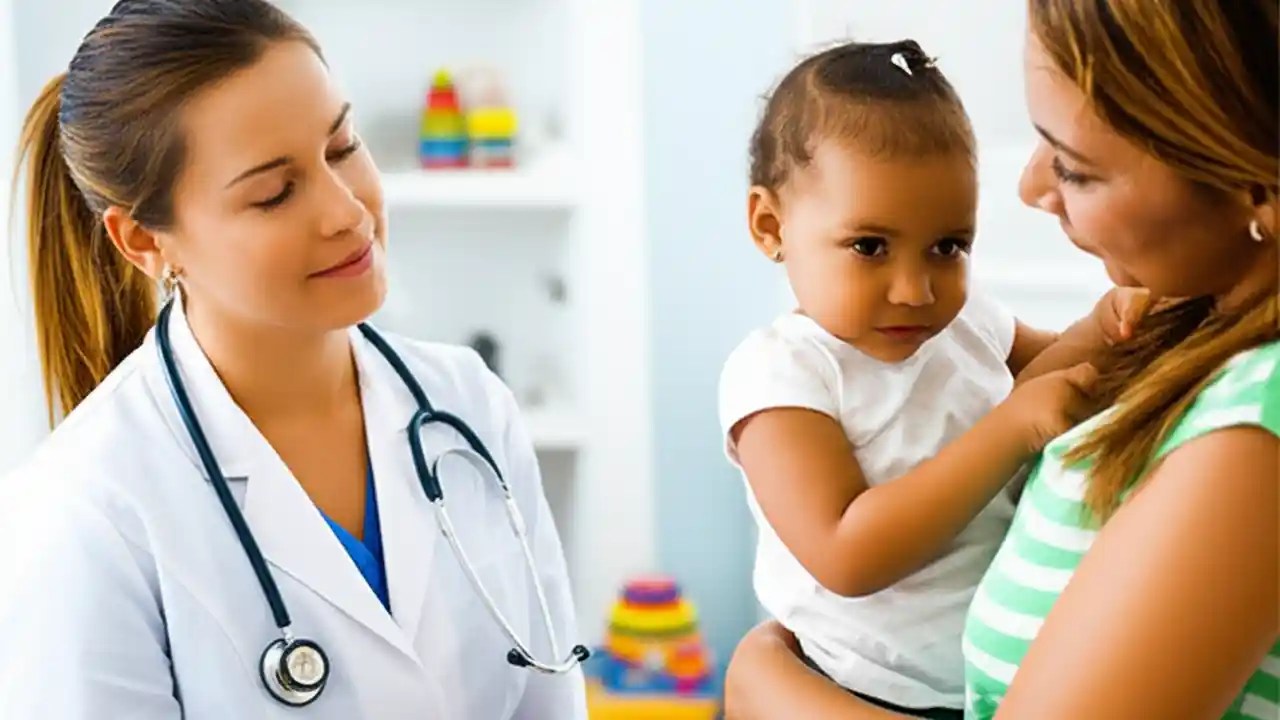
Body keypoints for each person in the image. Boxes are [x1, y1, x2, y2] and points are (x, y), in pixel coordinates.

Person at [0, 2, 587, 718]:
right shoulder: (86, 509)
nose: (347, 211)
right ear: (144, 242)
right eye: (274, 194)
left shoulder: (467, 405)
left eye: (343, 147)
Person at [723, 1, 1279, 718]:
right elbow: (847, 550)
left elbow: (1039, 384)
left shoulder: (1251, 437)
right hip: (868, 679)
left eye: (1076, 168)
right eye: (869, 246)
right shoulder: (784, 374)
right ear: (771, 225)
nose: (915, 287)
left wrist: (767, 690)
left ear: (1251, 180)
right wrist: (1092, 347)